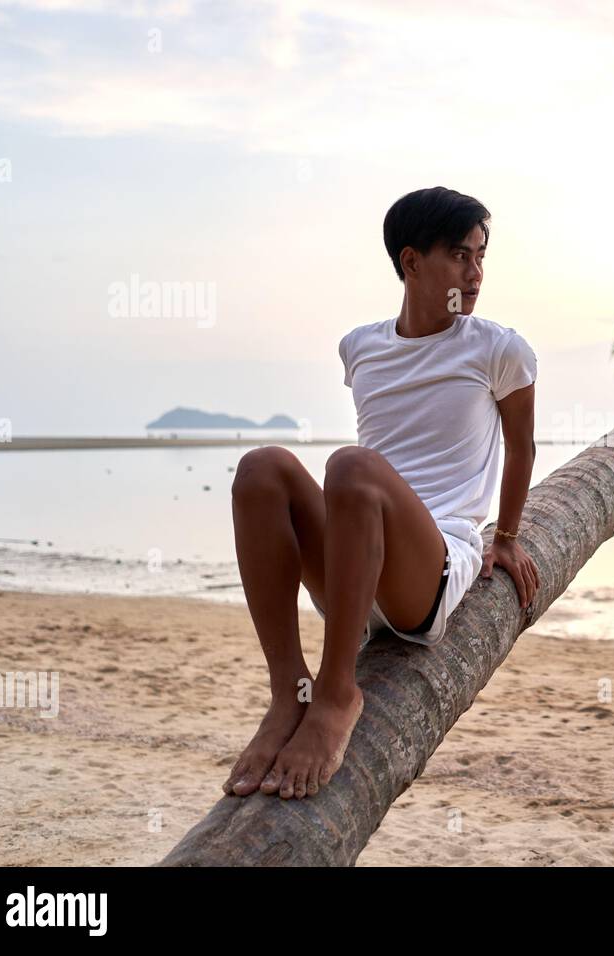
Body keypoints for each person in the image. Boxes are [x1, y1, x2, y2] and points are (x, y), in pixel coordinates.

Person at [223, 186, 539, 800]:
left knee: (352, 466)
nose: (474, 274)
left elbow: (522, 448)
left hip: (430, 569)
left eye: (480, 256)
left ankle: (339, 693)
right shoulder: (361, 347)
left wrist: (505, 537)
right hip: (352, 568)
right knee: (261, 467)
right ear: (411, 261)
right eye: (458, 255)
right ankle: (291, 690)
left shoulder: (498, 349)